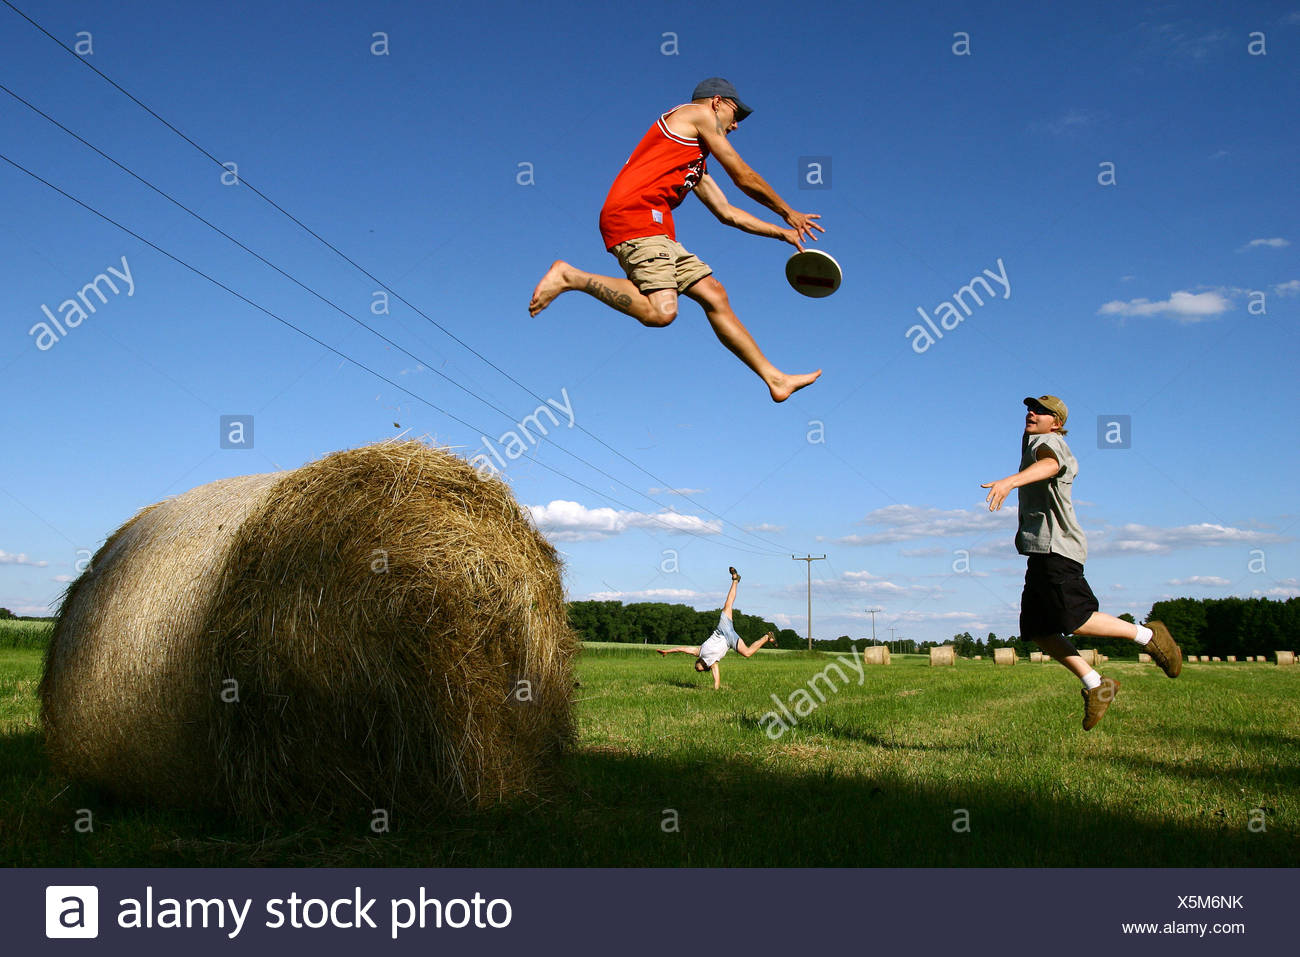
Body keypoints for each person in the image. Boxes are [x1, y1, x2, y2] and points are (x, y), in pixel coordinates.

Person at [528, 77, 824, 403]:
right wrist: (787, 211)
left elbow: (726, 212)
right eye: (735, 113)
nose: (736, 125)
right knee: (661, 312)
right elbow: (741, 174)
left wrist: (780, 232)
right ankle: (572, 277)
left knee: (714, 294)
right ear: (716, 102)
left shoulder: (695, 161)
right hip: (634, 213)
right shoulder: (694, 115)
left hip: (659, 229)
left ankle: (775, 379)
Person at [981, 395, 1183, 730]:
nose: (1033, 413)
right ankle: (1096, 685)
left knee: (1075, 618)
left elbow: (1049, 465)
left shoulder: (1050, 443)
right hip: (1041, 553)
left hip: (1058, 549)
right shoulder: (1034, 440)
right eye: (1031, 408)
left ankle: (1148, 636)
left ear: (1057, 423)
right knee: (1039, 630)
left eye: (1042, 411)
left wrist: (1009, 481)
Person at [658, 567, 776, 689]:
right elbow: (717, 679)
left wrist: (667, 651)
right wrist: (716, 689)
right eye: (700, 668)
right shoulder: (713, 663)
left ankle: (735, 579)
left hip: (722, 629)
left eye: (697, 665)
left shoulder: (699, 652)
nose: (697, 666)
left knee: (728, 604)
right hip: (730, 640)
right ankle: (767, 637)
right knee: (747, 653)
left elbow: (681, 649)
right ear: (705, 668)